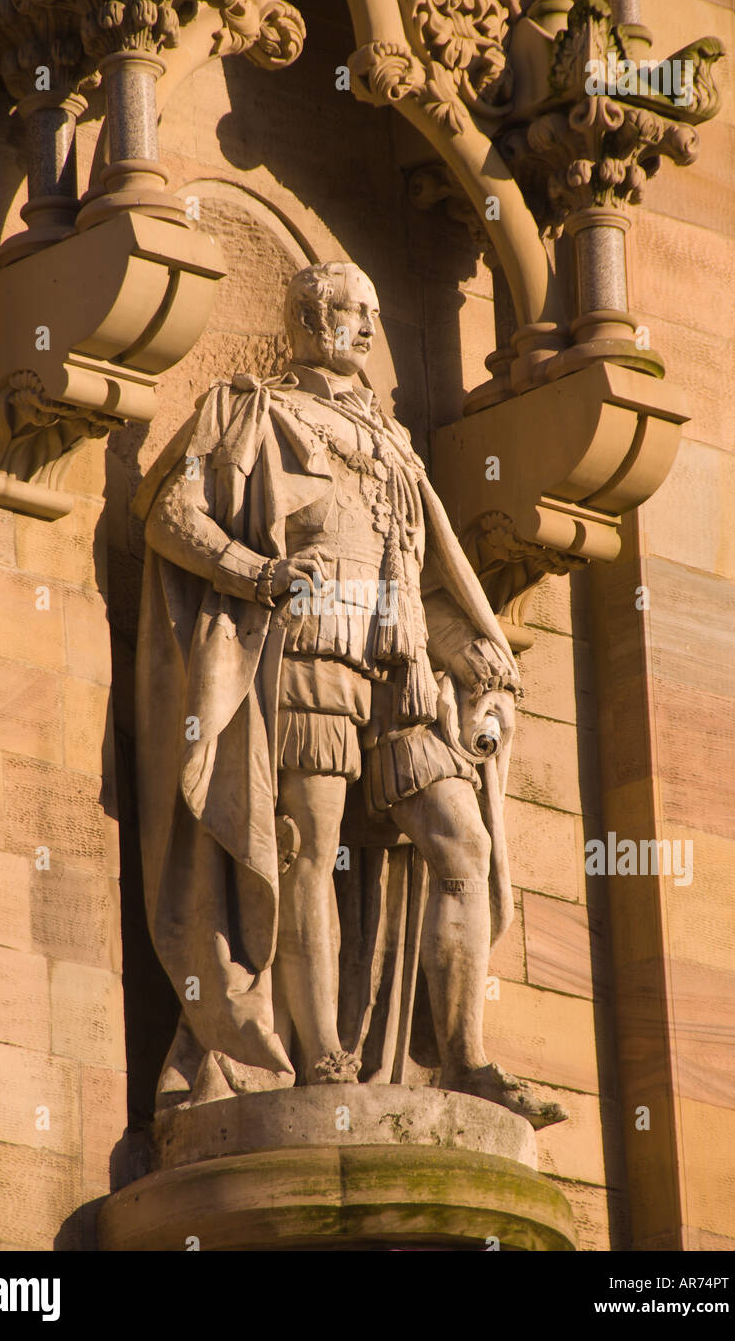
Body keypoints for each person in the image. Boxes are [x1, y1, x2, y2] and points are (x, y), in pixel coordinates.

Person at [133, 260, 565, 1128]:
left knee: (462, 845)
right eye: (351, 312)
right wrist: (257, 573)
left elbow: (420, 581)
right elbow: (171, 516)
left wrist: (472, 659)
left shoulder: (393, 445)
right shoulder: (255, 410)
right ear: (307, 318)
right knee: (310, 848)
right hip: (310, 655)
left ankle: (468, 1058)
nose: (368, 329)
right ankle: (321, 1055)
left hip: (402, 672)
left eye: (374, 312)